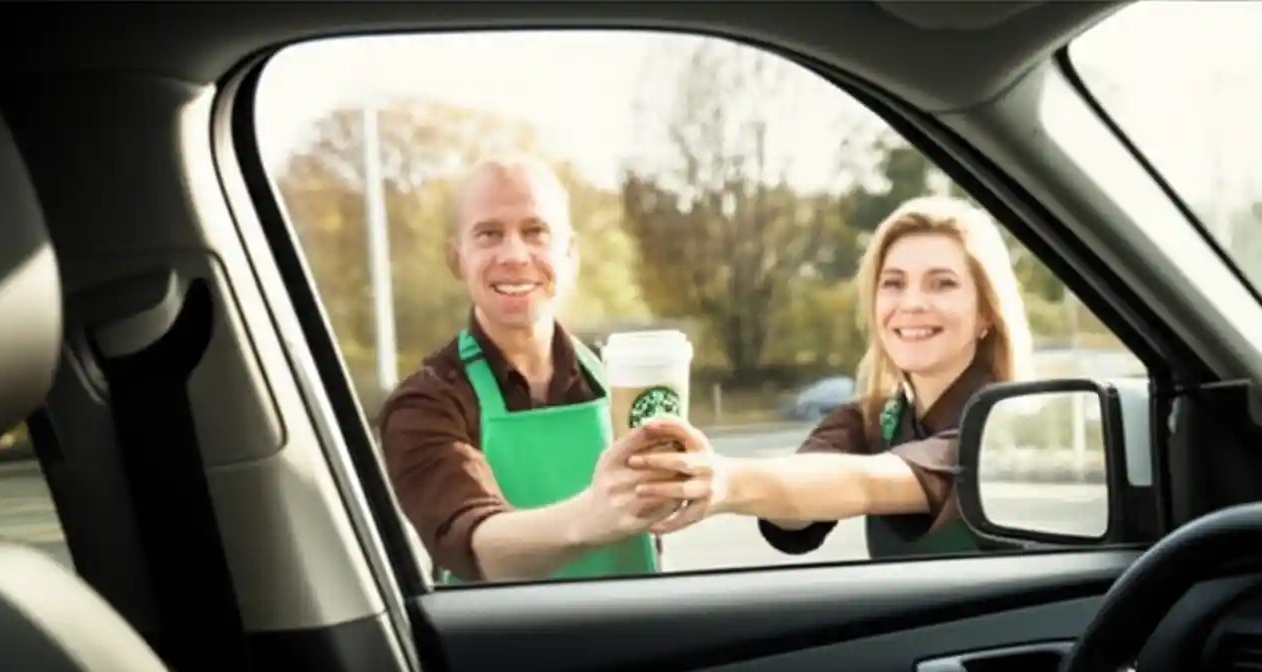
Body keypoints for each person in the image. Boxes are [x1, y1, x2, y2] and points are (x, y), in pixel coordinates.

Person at [628, 195, 1034, 558]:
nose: (911, 303)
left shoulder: (995, 426)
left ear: (986, 312)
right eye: (893, 283)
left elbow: (870, 484)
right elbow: (798, 504)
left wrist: (724, 482)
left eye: (942, 284)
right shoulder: (874, 418)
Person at [378, 155, 681, 584]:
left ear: (570, 253)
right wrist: (596, 516)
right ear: (456, 258)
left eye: (535, 231)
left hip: (639, 639)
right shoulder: (425, 404)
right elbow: (475, 545)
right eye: (488, 234)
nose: (515, 255)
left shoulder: (623, 377)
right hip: (507, 648)